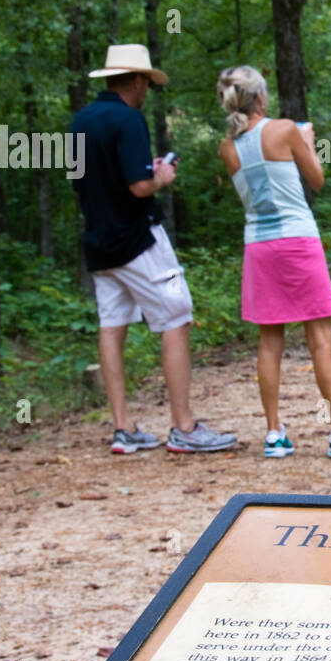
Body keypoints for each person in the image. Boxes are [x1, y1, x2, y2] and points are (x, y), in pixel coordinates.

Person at [71, 44, 237, 454]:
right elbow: (139, 185)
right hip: (136, 239)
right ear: (139, 80)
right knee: (176, 315)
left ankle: (123, 427)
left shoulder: (80, 121)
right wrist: (161, 176)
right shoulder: (128, 119)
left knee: (112, 325)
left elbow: (84, 179)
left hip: (98, 241)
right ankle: (184, 426)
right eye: (147, 82)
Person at [215, 65, 331, 459]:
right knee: (319, 336)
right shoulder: (285, 129)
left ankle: (274, 434)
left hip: (259, 246)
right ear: (259, 97)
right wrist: (307, 139)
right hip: (298, 241)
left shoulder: (227, 147)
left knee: (269, 340)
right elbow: (317, 180)